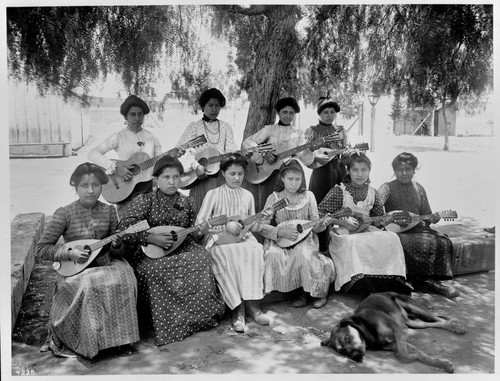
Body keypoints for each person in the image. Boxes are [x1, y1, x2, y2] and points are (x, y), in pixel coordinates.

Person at [118, 155, 226, 346]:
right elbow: (125, 228)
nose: (171, 181)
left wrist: (200, 232)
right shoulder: (146, 201)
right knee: (153, 270)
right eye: (166, 177)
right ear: (156, 180)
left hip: (182, 246)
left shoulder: (187, 202)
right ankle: (168, 325)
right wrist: (149, 237)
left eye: (176, 177)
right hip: (151, 252)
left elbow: (191, 234)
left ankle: (196, 320)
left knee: (201, 259)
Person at [35, 163, 139, 360]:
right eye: (85, 186)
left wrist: (117, 243)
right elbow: (41, 248)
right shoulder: (64, 213)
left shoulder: (109, 211)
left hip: (105, 262)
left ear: (102, 186)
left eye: (96, 185)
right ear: (76, 187)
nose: (91, 190)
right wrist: (70, 253)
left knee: (126, 276)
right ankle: (89, 343)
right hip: (74, 268)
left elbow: (117, 249)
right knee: (88, 284)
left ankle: (118, 342)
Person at [196, 153, 271, 332]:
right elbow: (200, 225)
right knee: (225, 254)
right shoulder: (213, 194)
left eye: (240, 173)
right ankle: (237, 308)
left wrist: (263, 219)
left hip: (242, 238)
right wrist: (224, 226)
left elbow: (251, 226)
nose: (237, 178)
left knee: (254, 250)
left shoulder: (247, 196)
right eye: (232, 174)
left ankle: (252, 304)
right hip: (218, 239)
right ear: (223, 173)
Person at [318, 153, 410, 296]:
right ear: (348, 171)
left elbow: (378, 218)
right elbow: (319, 213)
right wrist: (341, 221)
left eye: (364, 170)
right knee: (354, 242)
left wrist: (384, 220)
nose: (360, 174)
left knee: (392, 237)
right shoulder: (340, 191)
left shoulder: (373, 193)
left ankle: (392, 279)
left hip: (366, 230)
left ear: (369, 171)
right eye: (355, 170)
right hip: (343, 235)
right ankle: (359, 283)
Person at [378, 152, 460, 298]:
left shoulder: (419, 188)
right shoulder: (387, 188)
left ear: (414, 170)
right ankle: (410, 280)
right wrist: (387, 220)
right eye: (399, 170)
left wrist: (433, 218)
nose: (404, 173)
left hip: (418, 228)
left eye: (408, 169)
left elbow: (426, 215)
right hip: (397, 231)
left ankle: (433, 281)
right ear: (394, 171)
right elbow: (376, 210)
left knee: (443, 242)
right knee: (409, 243)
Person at [258, 159, 336, 309]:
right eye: (290, 179)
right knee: (272, 255)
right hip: (281, 239)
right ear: (282, 178)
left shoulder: (308, 196)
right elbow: (262, 226)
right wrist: (280, 231)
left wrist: (322, 224)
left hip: (305, 239)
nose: (294, 183)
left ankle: (313, 294)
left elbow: (315, 226)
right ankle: (291, 293)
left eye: (297, 179)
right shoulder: (274, 198)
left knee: (304, 255)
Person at [87, 95, 162, 218]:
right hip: (125, 190)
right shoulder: (118, 137)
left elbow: (160, 162)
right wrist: (116, 167)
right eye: (132, 114)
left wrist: (176, 155)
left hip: (149, 192)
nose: (137, 118)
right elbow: (92, 153)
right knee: (129, 230)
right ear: (125, 116)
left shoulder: (152, 137)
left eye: (140, 114)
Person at [242, 97, 315, 213]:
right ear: (278, 113)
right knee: (271, 205)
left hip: (290, 173)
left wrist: (309, 149)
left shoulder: (298, 133)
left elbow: (303, 157)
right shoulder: (269, 129)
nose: (288, 116)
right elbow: (247, 142)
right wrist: (265, 152)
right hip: (272, 174)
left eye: (291, 113)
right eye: (284, 112)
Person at [177, 88, 238, 212]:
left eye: (217, 106)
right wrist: (195, 166)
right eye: (210, 105)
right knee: (200, 214)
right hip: (200, 179)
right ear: (203, 106)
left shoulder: (226, 127)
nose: (214, 109)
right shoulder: (194, 127)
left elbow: (233, 152)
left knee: (221, 213)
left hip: (221, 179)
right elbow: (180, 152)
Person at [305, 94, 348, 253]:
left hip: (337, 170)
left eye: (332, 112)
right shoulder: (313, 131)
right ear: (319, 114)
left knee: (339, 206)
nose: (329, 116)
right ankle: (322, 246)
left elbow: (345, 151)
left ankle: (337, 245)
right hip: (321, 172)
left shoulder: (341, 130)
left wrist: (348, 152)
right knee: (321, 207)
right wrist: (319, 146)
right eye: (325, 113)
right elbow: (306, 153)